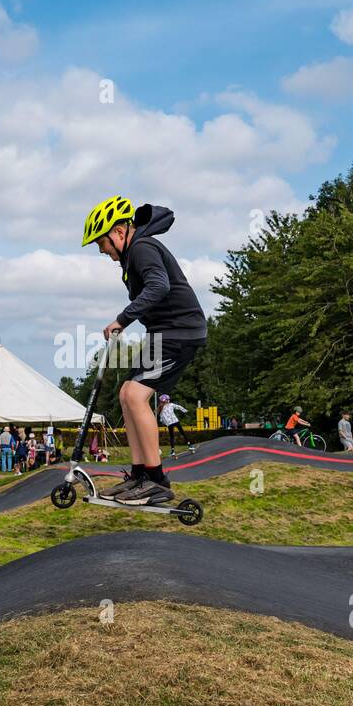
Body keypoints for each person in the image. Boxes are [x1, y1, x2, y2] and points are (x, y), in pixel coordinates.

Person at [85, 196, 206, 505]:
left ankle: (156, 481)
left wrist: (122, 319)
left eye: (102, 243)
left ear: (119, 232)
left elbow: (159, 286)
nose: (102, 251)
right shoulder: (134, 253)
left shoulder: (141, 248)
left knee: (137, 395)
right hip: (162, 334)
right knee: (126, 393)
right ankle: (139, 475)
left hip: (180, 333)